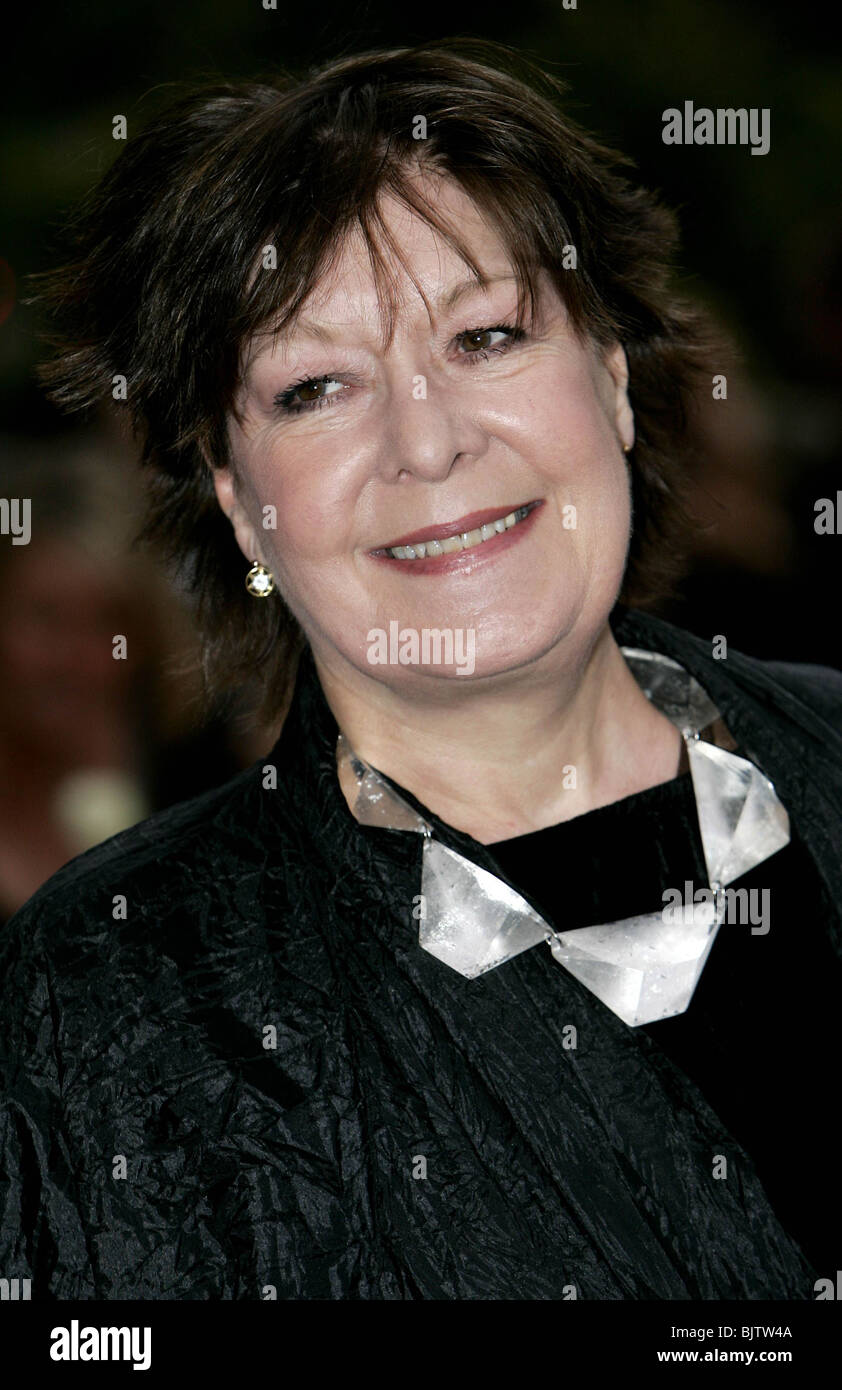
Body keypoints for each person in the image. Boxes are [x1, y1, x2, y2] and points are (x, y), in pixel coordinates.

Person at [1, 39, 840, 1301]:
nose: (429, 443)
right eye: (316, 387)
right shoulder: (116, 993)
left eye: (485, 335)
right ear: (238, 501)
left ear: (610, 381)